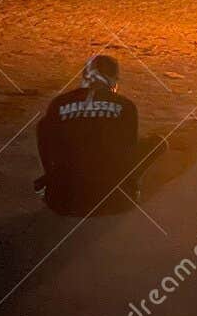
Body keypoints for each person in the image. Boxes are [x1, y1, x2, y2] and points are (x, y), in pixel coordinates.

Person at [34, 55, 165, 216]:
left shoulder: (59, 103)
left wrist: (50, 177)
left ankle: (53, 185)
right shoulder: (125, 105)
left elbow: (48, 146)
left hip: (61, 202)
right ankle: (128, 190)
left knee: (43, 126)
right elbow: (128, 153)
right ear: (113, 80)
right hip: (115, 203)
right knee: (157, 143)